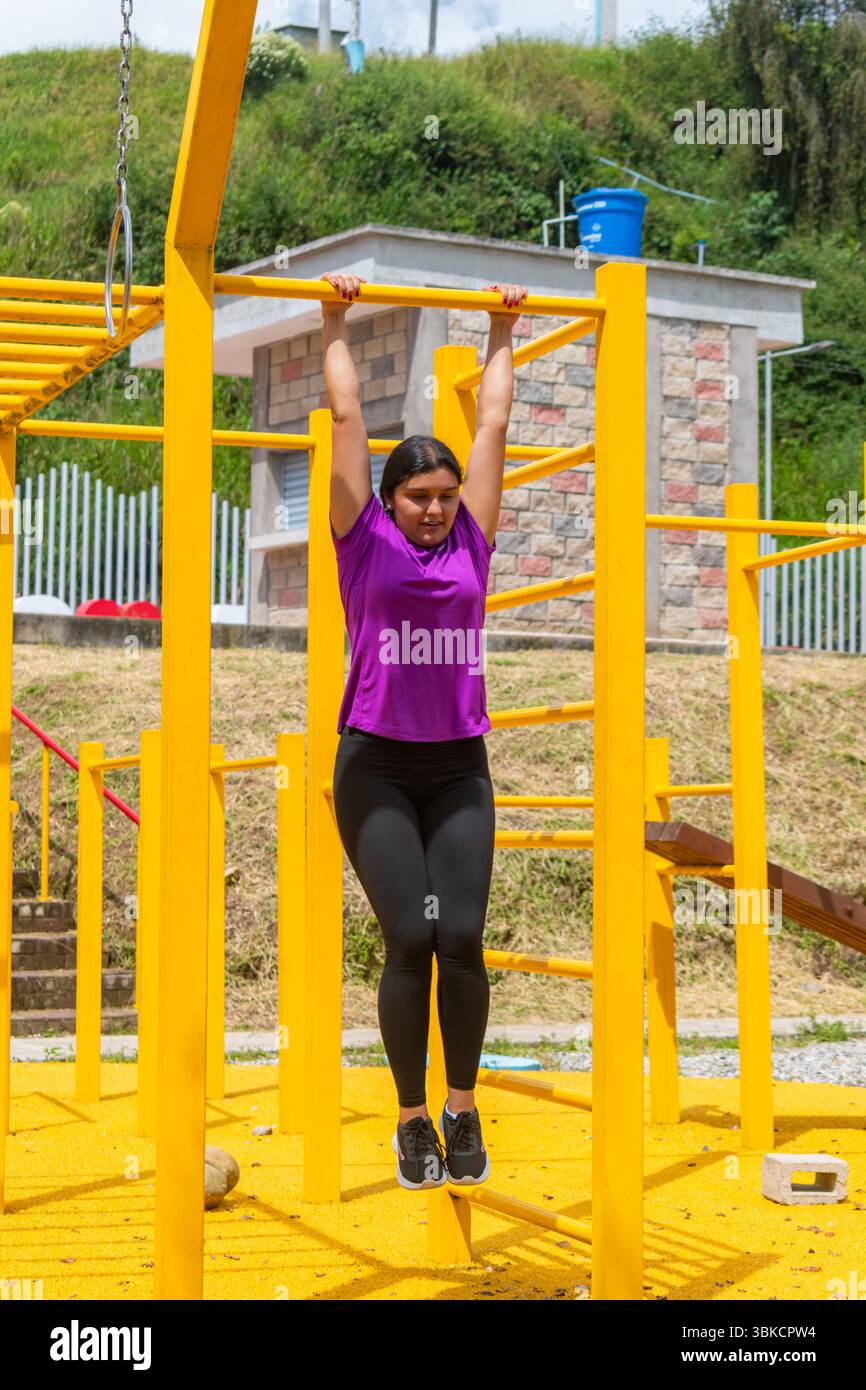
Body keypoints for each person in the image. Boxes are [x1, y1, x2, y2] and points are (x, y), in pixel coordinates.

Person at [322, 270, 528, 1191]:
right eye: (421, 496)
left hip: (457, 768)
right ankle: (410, 1121)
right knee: (412, 933)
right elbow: (344, 426)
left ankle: (461, 1105)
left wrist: (499, 331)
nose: (438, 506)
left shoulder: (474, 542)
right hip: (375, 768)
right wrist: (336, 319)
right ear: (392, 499)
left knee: (464, 935)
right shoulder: (362, 540)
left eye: (446, 494)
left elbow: (492, 427)